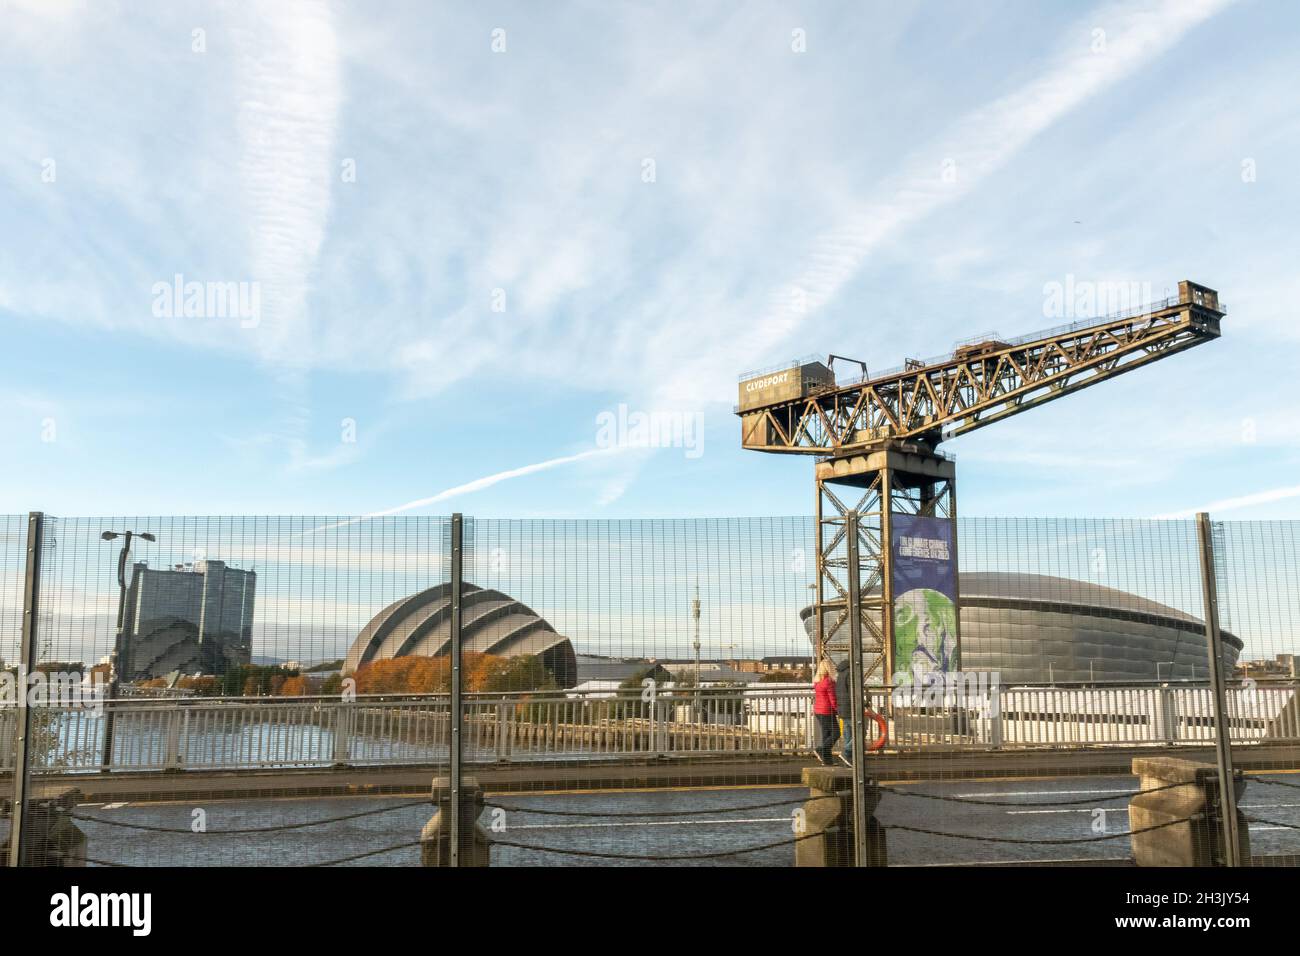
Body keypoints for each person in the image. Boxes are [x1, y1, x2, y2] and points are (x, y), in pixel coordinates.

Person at [811, 658, 839, 765]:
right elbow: (832, 699)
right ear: (829, 668)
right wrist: (837, 710)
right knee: (836, 733)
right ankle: (820, 749)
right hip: (827, 711)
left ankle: (827, 761)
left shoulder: (817, 681)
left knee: (826, 735)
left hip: (818, 711)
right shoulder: (829, 681)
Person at [835, 657, 853, 767]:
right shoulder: (850, 674)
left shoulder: (840, 675)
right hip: (850, 708)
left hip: (842, 708)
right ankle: (846, 752)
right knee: (859, 734)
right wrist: (864, 703)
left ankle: (848, 760)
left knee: (848, 735)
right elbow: (853, 692)